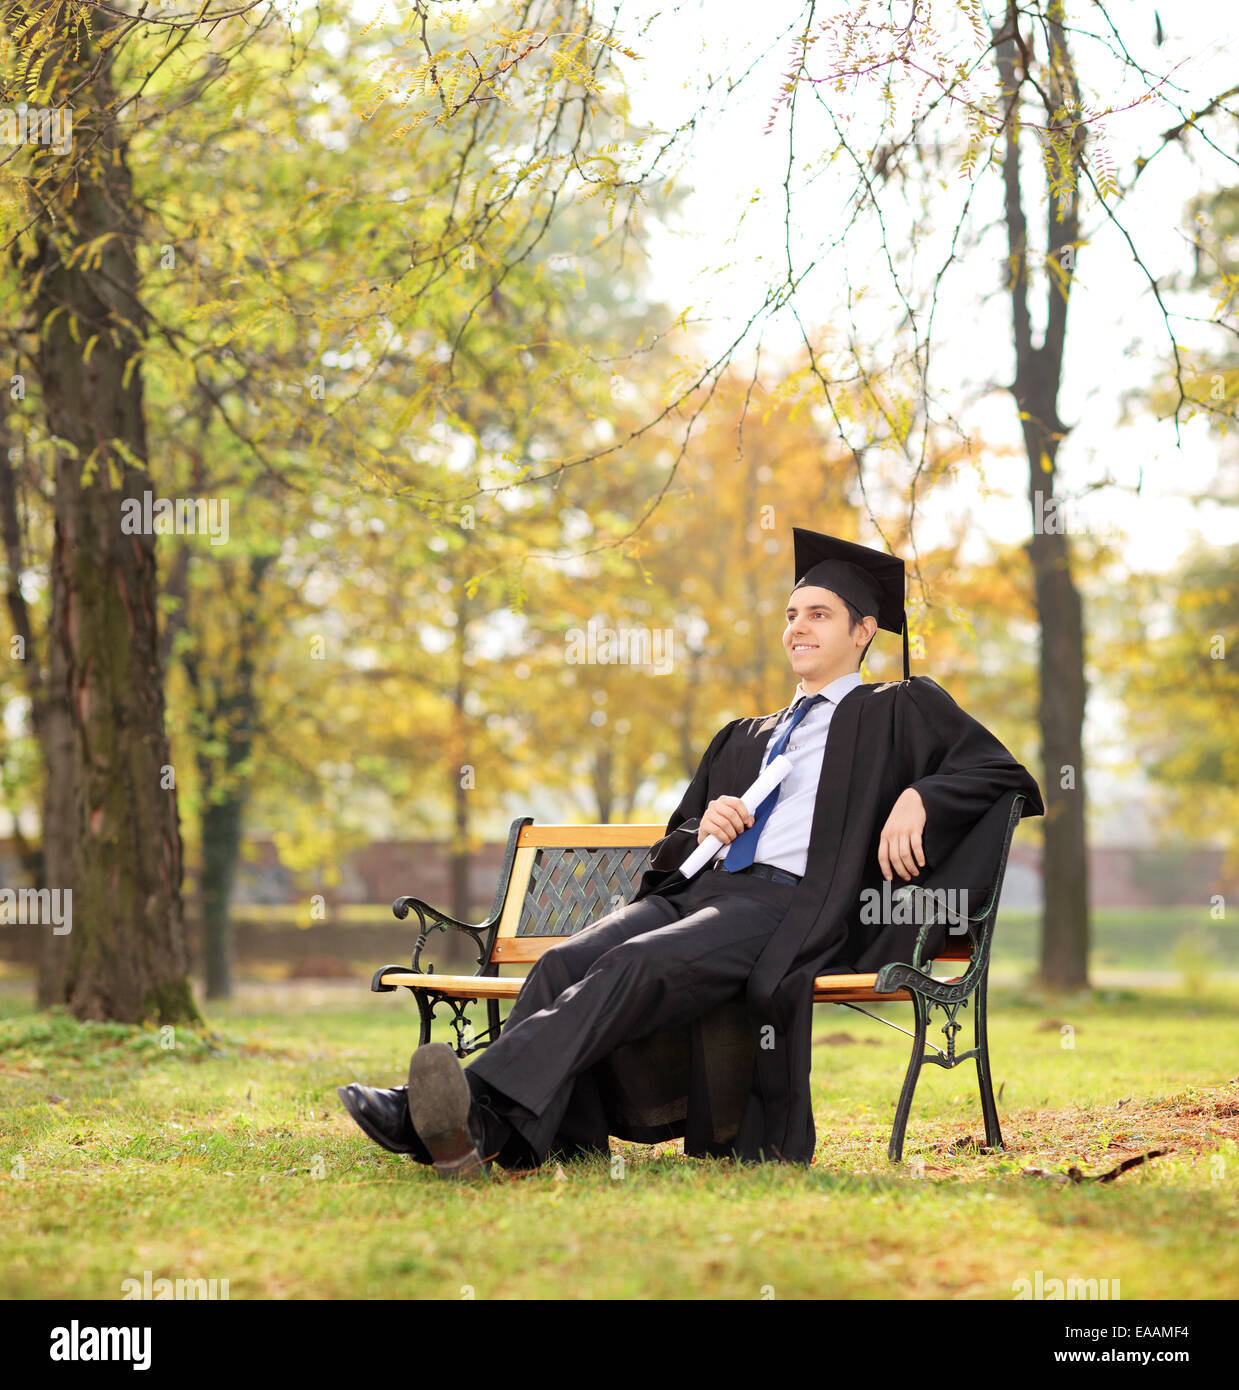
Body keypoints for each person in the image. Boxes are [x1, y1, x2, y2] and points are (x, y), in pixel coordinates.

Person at [338, 528, 1044, 1177]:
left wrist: (921, 796)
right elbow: (672, 847)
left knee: (635, 963)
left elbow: (1001, 774)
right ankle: (510, 1135)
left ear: (863, 631)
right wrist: (705, 827)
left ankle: (455, 1115)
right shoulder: (745, 736)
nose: (797, 626)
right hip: (700, 894)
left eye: (819, 614)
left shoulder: (897, 709)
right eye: (791, 614)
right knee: (560, 962)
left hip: (788, 906)